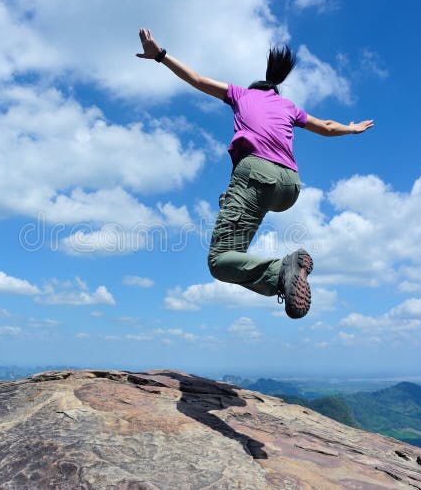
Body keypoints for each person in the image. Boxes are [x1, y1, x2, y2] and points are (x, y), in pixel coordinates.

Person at [136, 28, 373, 319]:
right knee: (235, 241)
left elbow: (196, 80)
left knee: (220, 260)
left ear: (254, 88)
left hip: (256, 173)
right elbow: (326, 126)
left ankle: (280, 273)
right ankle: (281, 271)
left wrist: (159, 55)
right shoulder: (289, 107)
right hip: (290, 186)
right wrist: (351, 128)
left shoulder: (240, 94)